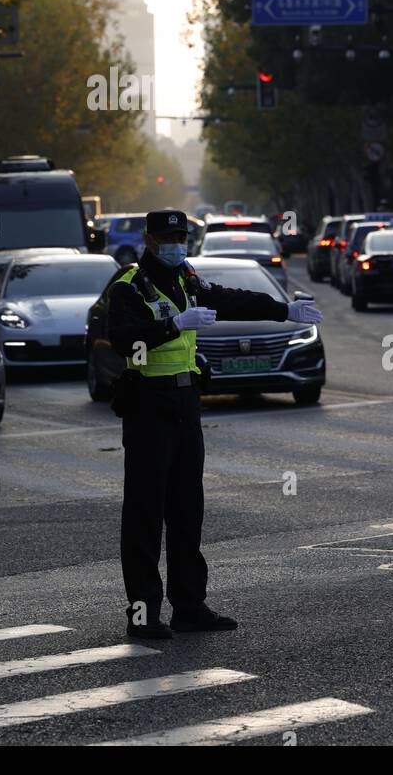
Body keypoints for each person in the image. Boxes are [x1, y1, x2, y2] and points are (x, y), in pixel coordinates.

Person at [106, 208, 323, 640]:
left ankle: (189, 605)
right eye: (168, 238)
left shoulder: (185, 277)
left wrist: (285, 311)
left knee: (188, 510)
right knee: (145, 515)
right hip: (149, 404)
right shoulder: (129, 286)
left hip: (186, 402)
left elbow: (229, 298)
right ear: (149, 241)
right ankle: (142, 614)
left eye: (181, 237)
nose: (176, 245)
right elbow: (124, 341)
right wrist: (172, 325)